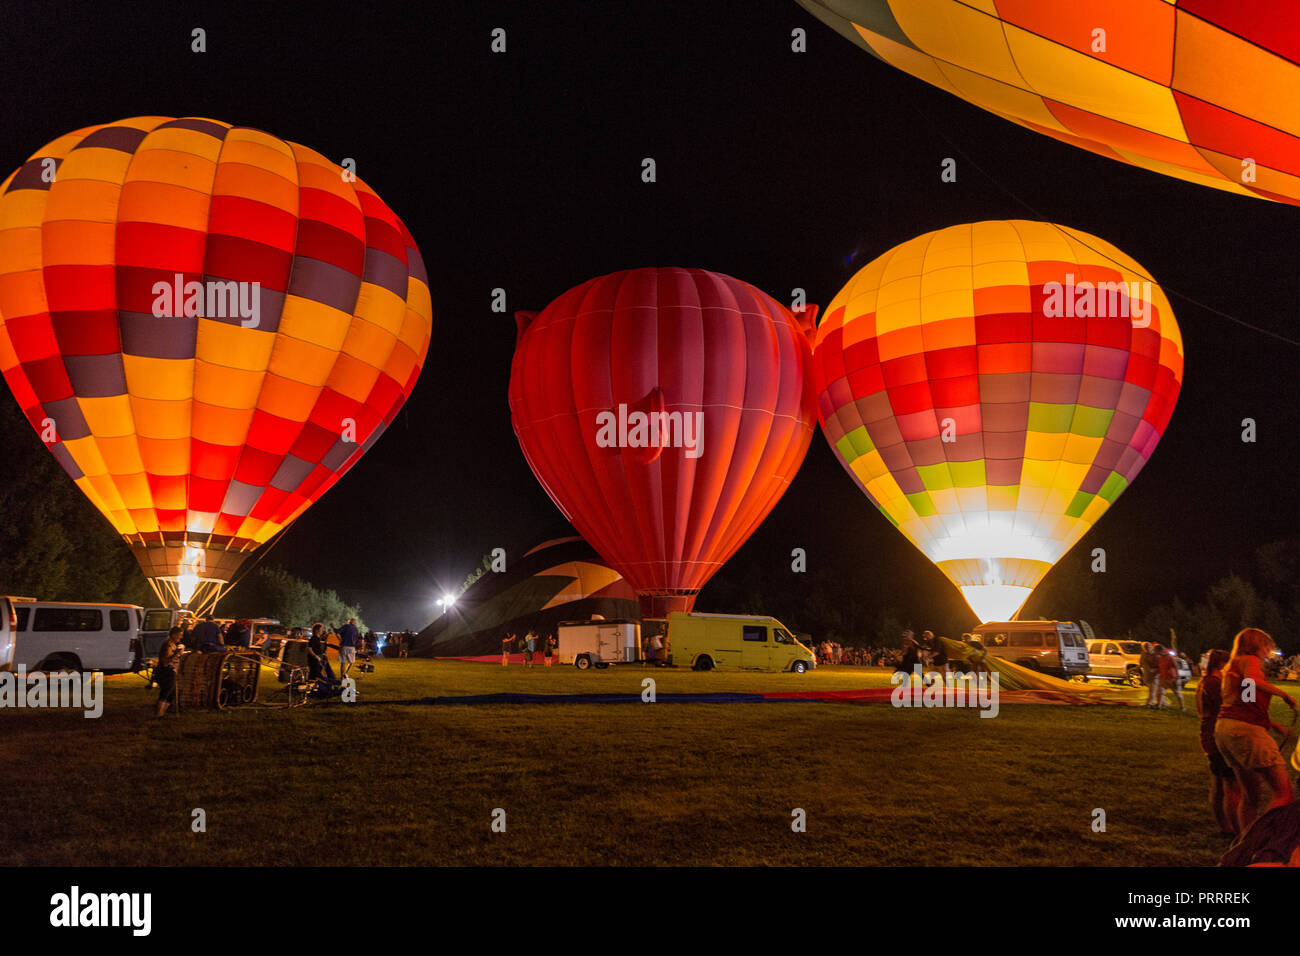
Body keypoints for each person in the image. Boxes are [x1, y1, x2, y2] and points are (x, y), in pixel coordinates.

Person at [1214, 627, 1297, 833]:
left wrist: (1272, 726)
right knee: (1283, 793)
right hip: (1244, 731)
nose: (1269, 651)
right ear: (1257, 645)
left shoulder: (1234, 665)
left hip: (1226, 729)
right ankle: (1263, 838)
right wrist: (1284, 695)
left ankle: (1245, 845)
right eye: (1267, 646)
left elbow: (1249, 701)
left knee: (1250, 797)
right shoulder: (1250, 660)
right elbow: (1254, 681)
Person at [1197, 649, 1242, 835]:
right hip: (1216, 737)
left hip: (1208, 736)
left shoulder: (1204, 682)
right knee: (1231, 785)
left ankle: (1224, 825)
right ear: (1221, 664)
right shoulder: (1214, 684)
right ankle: (1235, 828)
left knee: (1218, 784)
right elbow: (1230, 706)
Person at [155, 626, 184, 718]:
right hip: (167, 671)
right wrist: (176, 654)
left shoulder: (172, 644)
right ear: (174, 634)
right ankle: (159, 714)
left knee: (171, 694)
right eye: (179, 635)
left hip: (171, 670)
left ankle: (162, 713)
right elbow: (165, 660)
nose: (181, 637)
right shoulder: (168, 644)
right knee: (166, 692)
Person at [1154, 644, 1185, 712]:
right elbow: (1160, 668)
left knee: (1177, 693)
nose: (1156, 654)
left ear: (1161, 651)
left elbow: (1175, 667)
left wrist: (1176, 677)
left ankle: (1182, 707)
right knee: (1160, 692)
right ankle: (1159, 705)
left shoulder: (1170, 657)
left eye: (1157, 652)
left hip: (1172, 678)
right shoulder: (1159, 658)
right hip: (1163, 678)